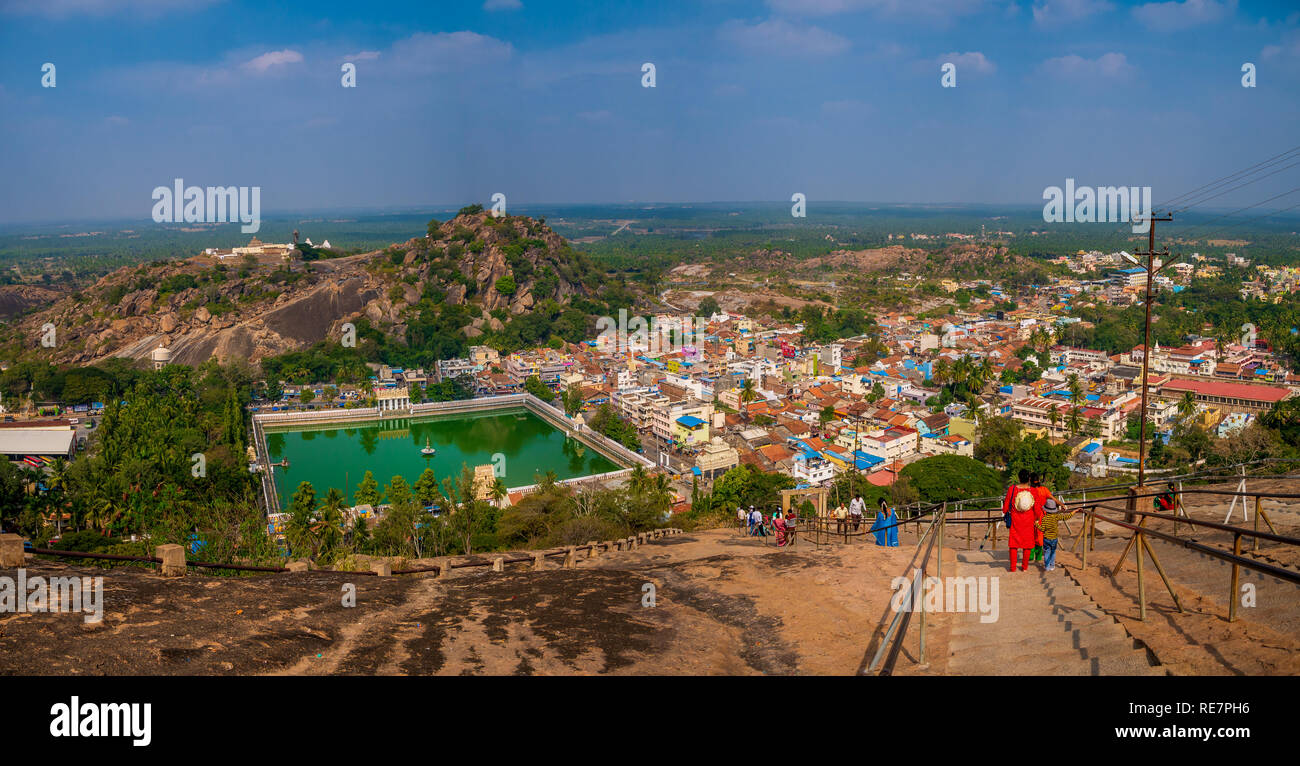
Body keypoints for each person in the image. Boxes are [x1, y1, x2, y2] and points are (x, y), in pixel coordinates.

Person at [1006, 475, 1037, 572]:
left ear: (1019, 478)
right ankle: (1024, 567)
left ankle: (1013, 567)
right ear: (1029, 479)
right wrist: (1036, 517)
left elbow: (1007, 503)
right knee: (1027, 545)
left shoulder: (1012, 489)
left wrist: (1005, 512)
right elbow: (1037, 506)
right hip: (1029, 520)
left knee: (1013, 544)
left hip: (1015, 519)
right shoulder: (1033, 490)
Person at [1036, 498, 1076, 571]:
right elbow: (1066, 517)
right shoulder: (1056, 516)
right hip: (1054, 538)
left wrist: (1036, 524)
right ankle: (1052, 566)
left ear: (1045, 509)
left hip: (1046, 539)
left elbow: (1042, 529)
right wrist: (1074, 512)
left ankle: (1047, 567)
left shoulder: (1044, 518)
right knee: (1053, 552)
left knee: (1047, 552)